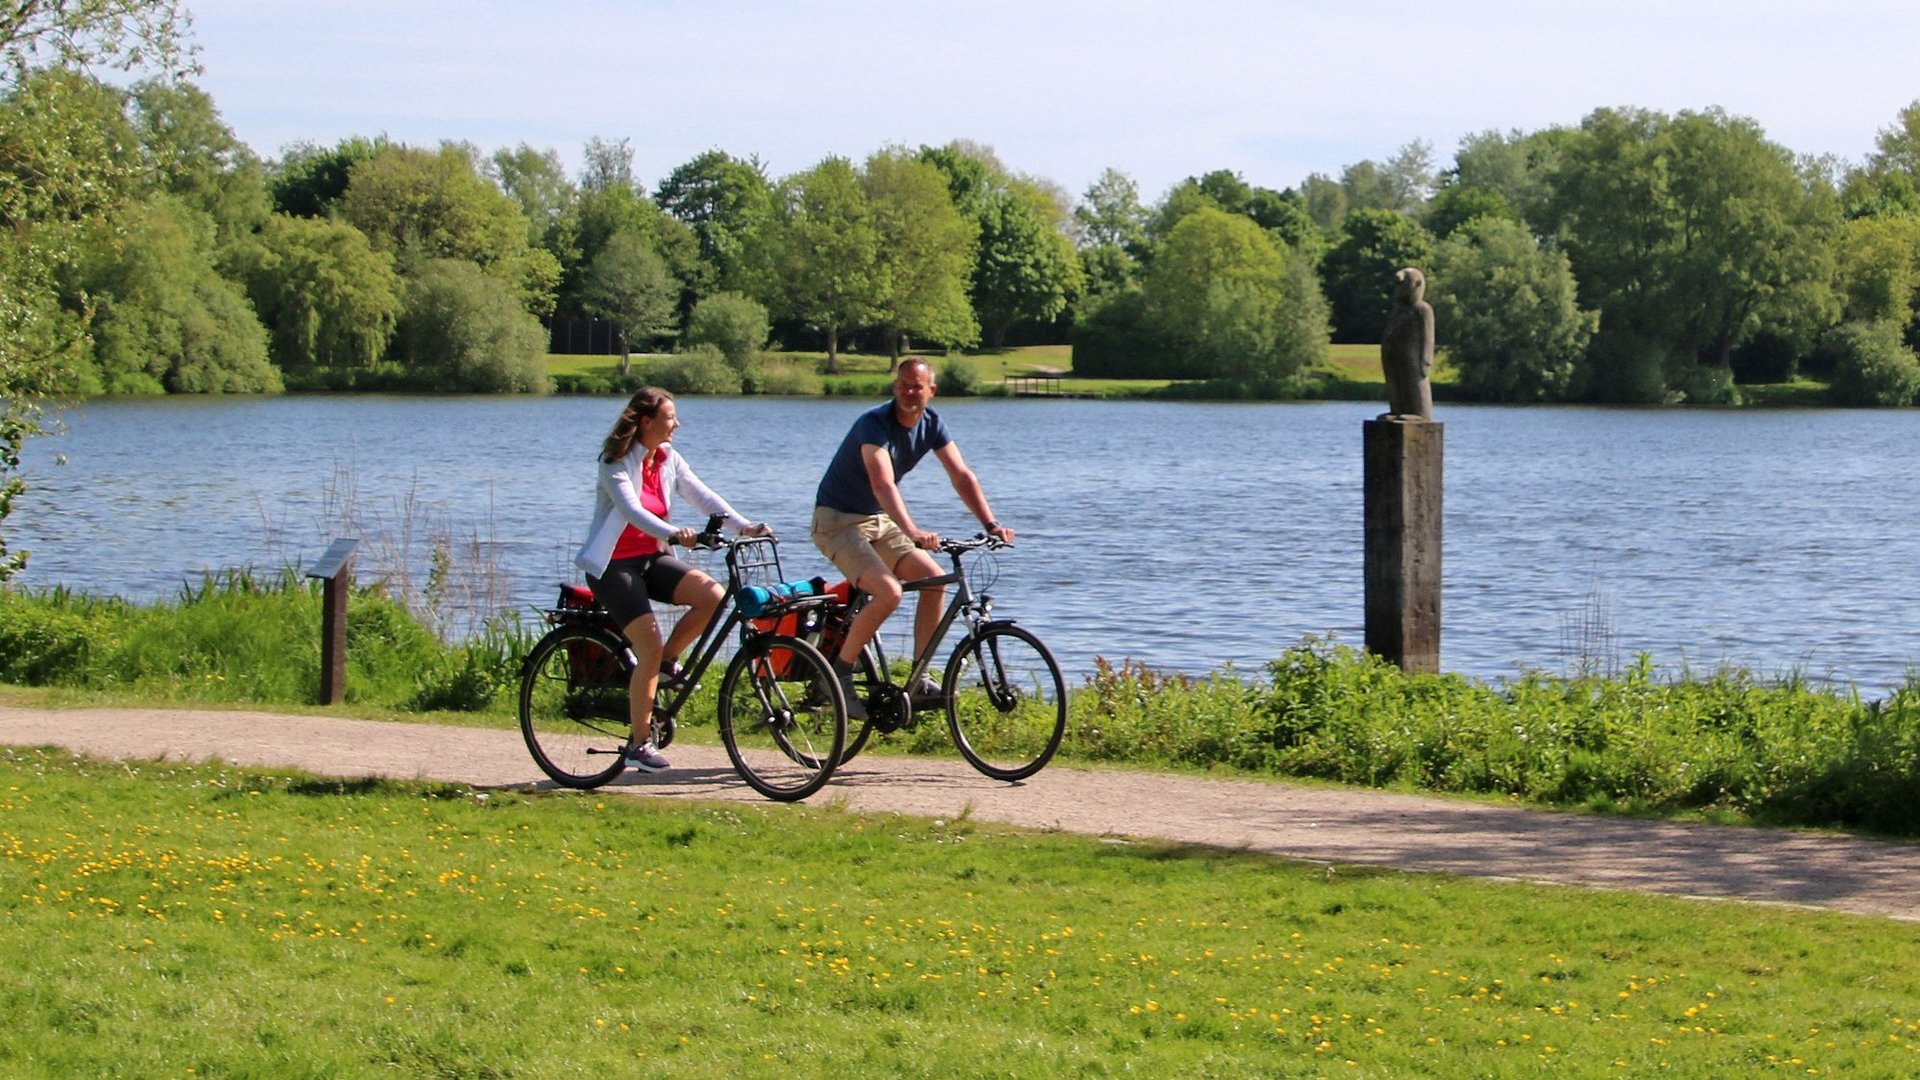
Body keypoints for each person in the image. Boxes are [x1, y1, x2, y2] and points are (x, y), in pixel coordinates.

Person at [575, 386, 772, 772]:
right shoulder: (615, 462)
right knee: (647, 644)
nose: (676, 424)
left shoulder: (667, 457)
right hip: (613, 567)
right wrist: (673, 532)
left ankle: (666, 663)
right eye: (669, 418)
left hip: (650, 558)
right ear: (646, 421)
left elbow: (702, 496)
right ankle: (638, 744)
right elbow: (632, 511)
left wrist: (745, 527)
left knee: (713, 596)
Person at [811, 357, 1015, 718]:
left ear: (930, 391)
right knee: (888, 591)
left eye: (917, 386)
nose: (909, 392)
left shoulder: (933, 423)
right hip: (837, 522)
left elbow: (961, 475)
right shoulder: (873, 425)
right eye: (903, 384)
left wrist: (990, 523)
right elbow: (882, 482)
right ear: (895, 387)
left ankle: (919, 677)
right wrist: (914, 532)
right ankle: (836, 675)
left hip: (876, 520)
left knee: (934, 581)